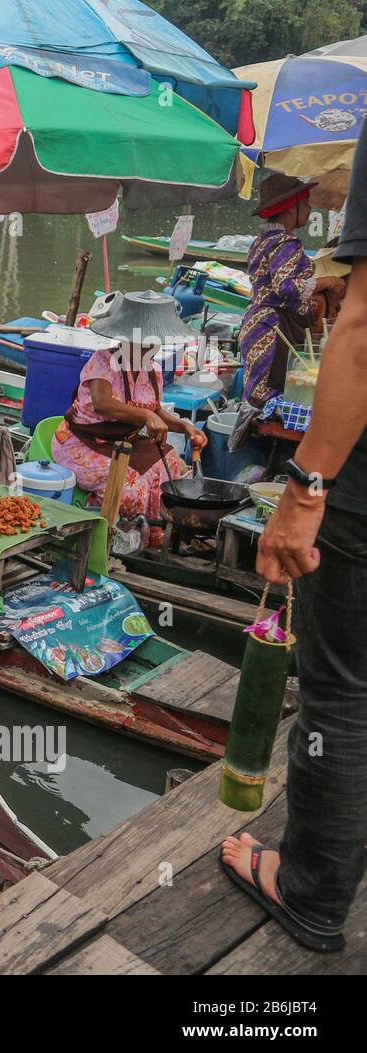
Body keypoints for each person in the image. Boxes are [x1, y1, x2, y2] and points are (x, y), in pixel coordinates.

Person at [220, 131, 367, 955]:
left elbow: (353, 321)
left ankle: (311, 891)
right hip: (269, 365)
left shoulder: (289, 244)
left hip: (356, 480)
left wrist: (306, 488)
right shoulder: (278, 245)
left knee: (340, 693)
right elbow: (314, 309)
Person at [51, 291, 207, 523]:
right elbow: (102, 403)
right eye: (142, 344)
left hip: (125, 441)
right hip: (84, 444)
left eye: (153, 345)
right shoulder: (103, 361)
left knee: (172, 466)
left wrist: (185, 427)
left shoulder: (152, 370)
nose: (148, 350)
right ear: (125, 338)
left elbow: (155, 411)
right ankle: (116, 531)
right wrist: (144, 415)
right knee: (133, 486)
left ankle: (157, 532)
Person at [237, 174, 346, 411]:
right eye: (305, 204)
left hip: (256, 324)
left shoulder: (263, 241)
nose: (309, 209)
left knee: (258, 398)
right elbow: (285, 287)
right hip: (272, 330)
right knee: (266, 399)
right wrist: (327, 282)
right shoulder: (286, 243)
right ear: (290, 209)